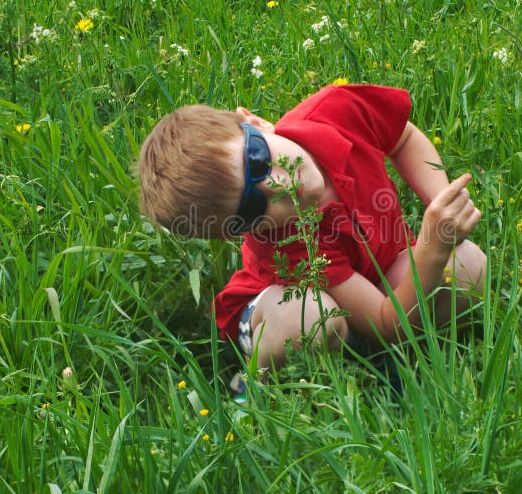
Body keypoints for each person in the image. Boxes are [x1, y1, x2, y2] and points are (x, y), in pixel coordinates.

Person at [137, 84, 486, 372]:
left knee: (470, 267)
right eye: (251, 208)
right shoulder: (283, 243)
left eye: (257, 159)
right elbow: (386, 324)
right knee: (308, 322)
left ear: (255, 123)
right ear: (239, 232)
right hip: (287, 306)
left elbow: (402, 137)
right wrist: (430, 248)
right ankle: (257, 389)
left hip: (370, 276)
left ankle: (375, 360)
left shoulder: (335, 112)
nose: (279, 184)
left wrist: (443, 201)